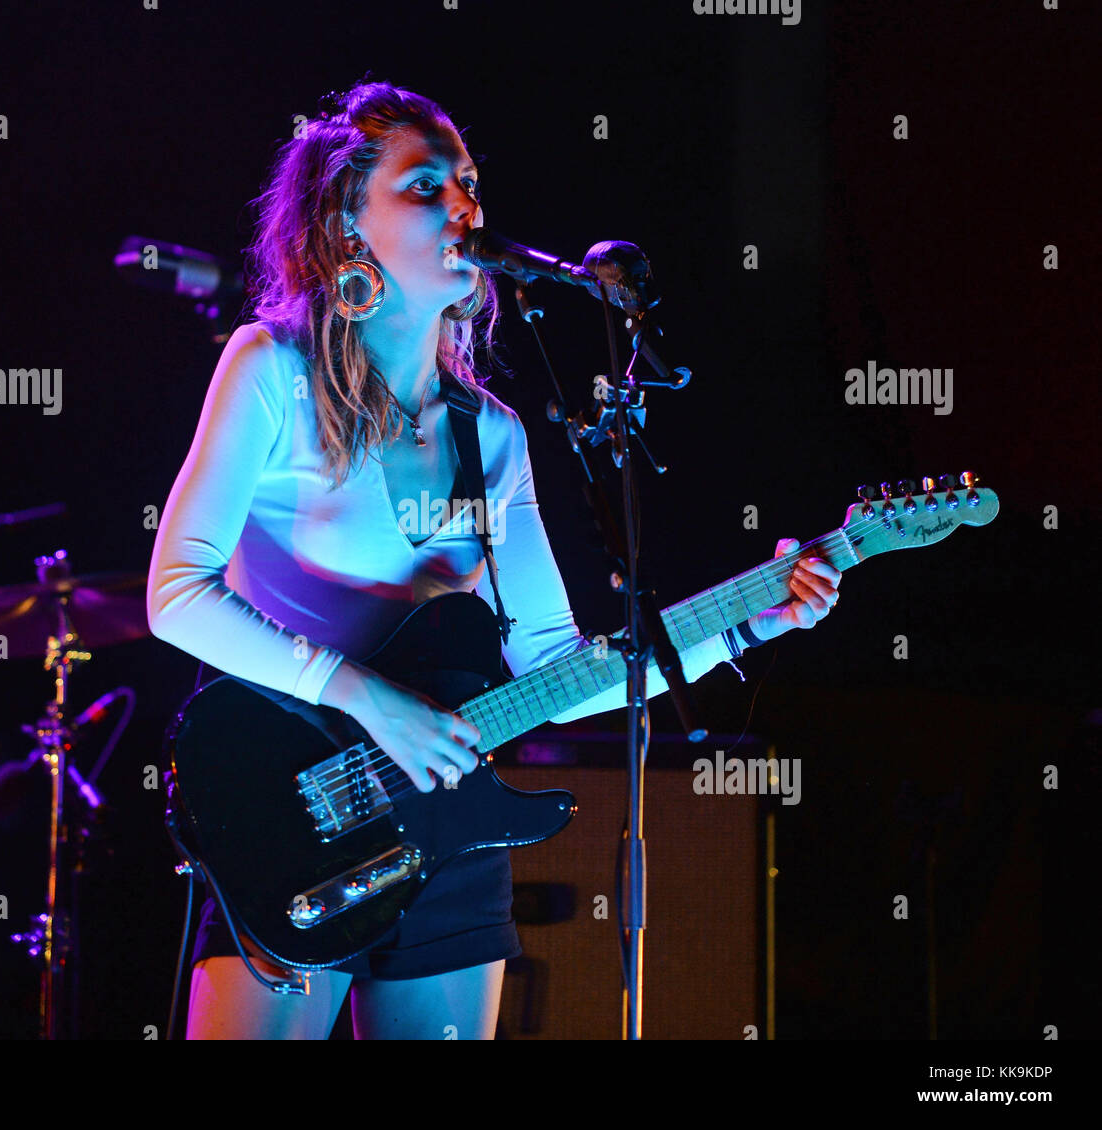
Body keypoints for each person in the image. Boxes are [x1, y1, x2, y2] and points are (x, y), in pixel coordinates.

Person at [146, 80, 841, 1040]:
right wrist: (367, 698)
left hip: (446, 831)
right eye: (426, 187)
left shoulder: (495, 436)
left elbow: (555, 667)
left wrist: (750, 622)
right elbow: (176, 595)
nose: (466, 208)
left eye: (469, 183)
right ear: (347, 218)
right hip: (288, 821)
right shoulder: (272, 369)